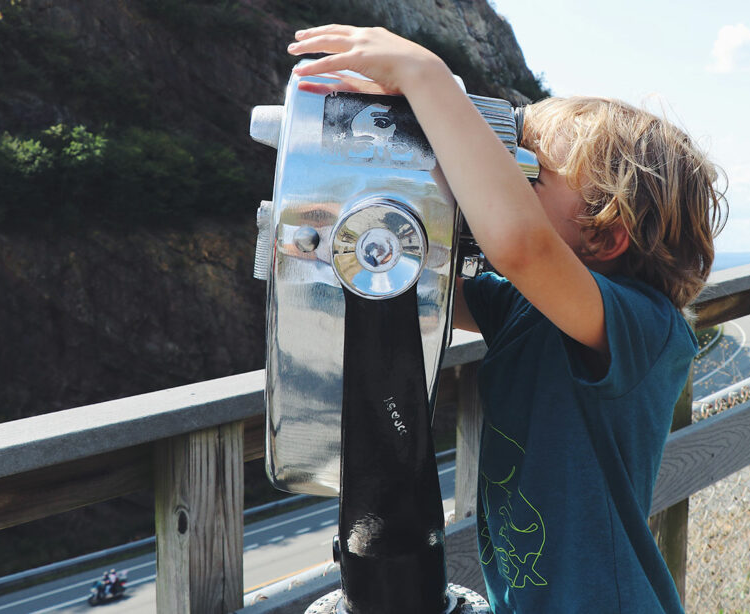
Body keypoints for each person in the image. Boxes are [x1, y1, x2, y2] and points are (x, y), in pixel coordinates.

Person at [289, 25, 726, 613]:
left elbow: (520, 243)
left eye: (530, 176)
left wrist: (428, 78)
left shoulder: (643, 329)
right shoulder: (531, 306)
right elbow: (417, 282)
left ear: (606, 235)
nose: (506, 180)